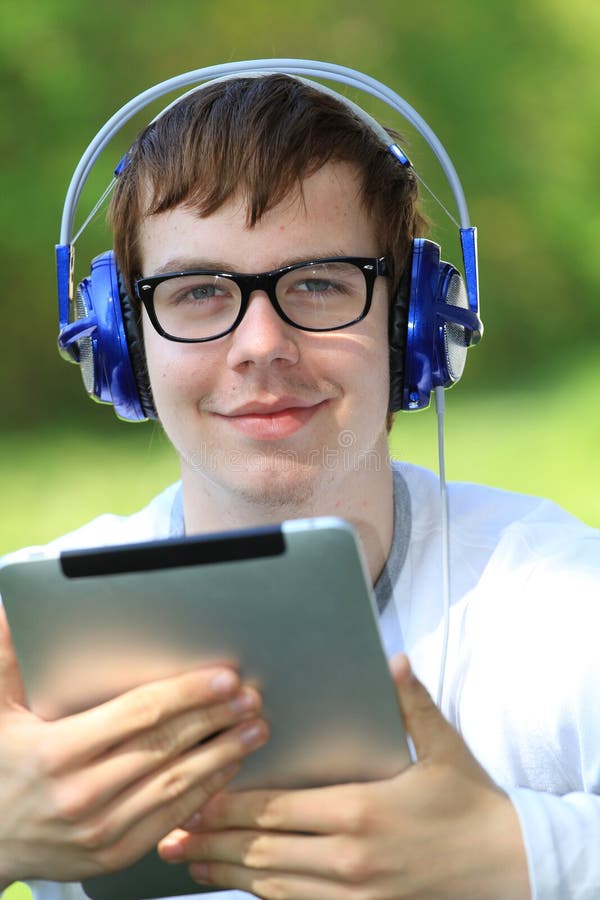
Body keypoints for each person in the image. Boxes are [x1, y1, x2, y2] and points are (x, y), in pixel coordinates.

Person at [1, 66, 599, 900]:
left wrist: (523, 858)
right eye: (198, 292)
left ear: (414, 327)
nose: (260, 344)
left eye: (318, 283)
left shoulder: (563, 601)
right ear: (122, 346)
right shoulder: (26, 637)